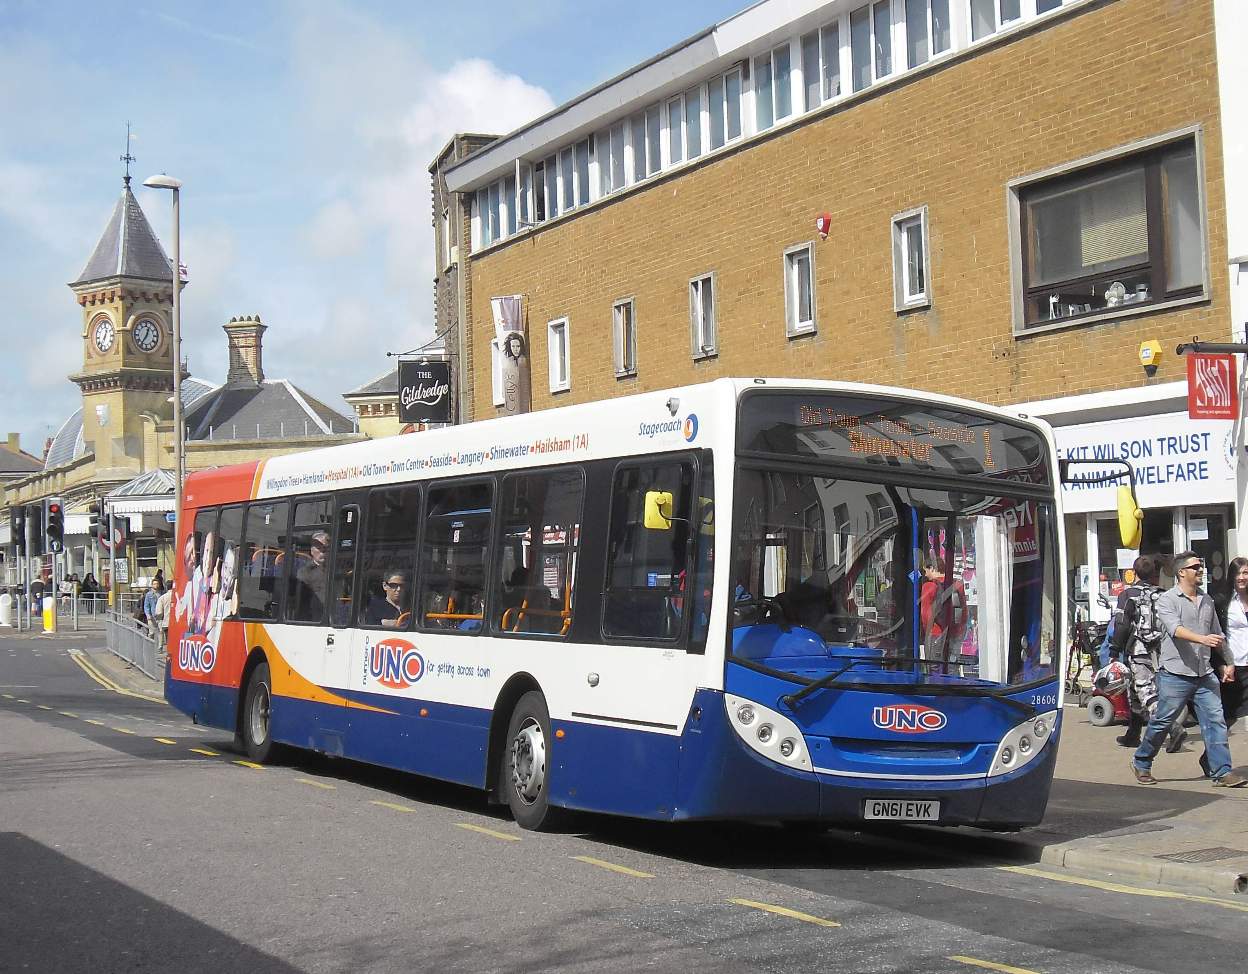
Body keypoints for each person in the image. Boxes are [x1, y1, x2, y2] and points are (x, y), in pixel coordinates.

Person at [1131, 551, 1246, 788]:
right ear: (1181, 572)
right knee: (1163, 721)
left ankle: (1222, 771)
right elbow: (1175, 630)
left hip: (1205, 674)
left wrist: (1228, 662)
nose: (1200, 570)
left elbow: (1219, 635)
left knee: (1216, 721)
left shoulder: (1207, 600)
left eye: (1200, 567)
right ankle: (1142, 761)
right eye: (1195, 567)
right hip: (1175, 674)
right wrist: (1202, 640)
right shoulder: (1167, 600)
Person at [1111, 555, 1185, 750]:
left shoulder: (1128, 595)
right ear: (1155, 573)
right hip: (1162, 649)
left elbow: (1122, 624)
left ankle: (1173, 728)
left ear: (1134, 573)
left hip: (1138, 648)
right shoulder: (1164, 594)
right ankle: (1133, 734)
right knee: (1134, 689)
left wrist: (1114, 650)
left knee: (1145, 690)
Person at [1215, 556, 1248, 734]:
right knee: (1228, 718)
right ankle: (1211, 758)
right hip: (1234, 668)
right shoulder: (1222, 601)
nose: (1242, 577)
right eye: (1238, 573)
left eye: (1246, 573)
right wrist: (1222, 664)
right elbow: (1216, 637)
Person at [294, 530, 329, 621]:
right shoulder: (304, 572)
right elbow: (301, 601)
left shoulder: (334, 571)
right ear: (312, 551)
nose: (322, 552)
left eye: (325, 549)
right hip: (312, 619)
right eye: (319, 548)